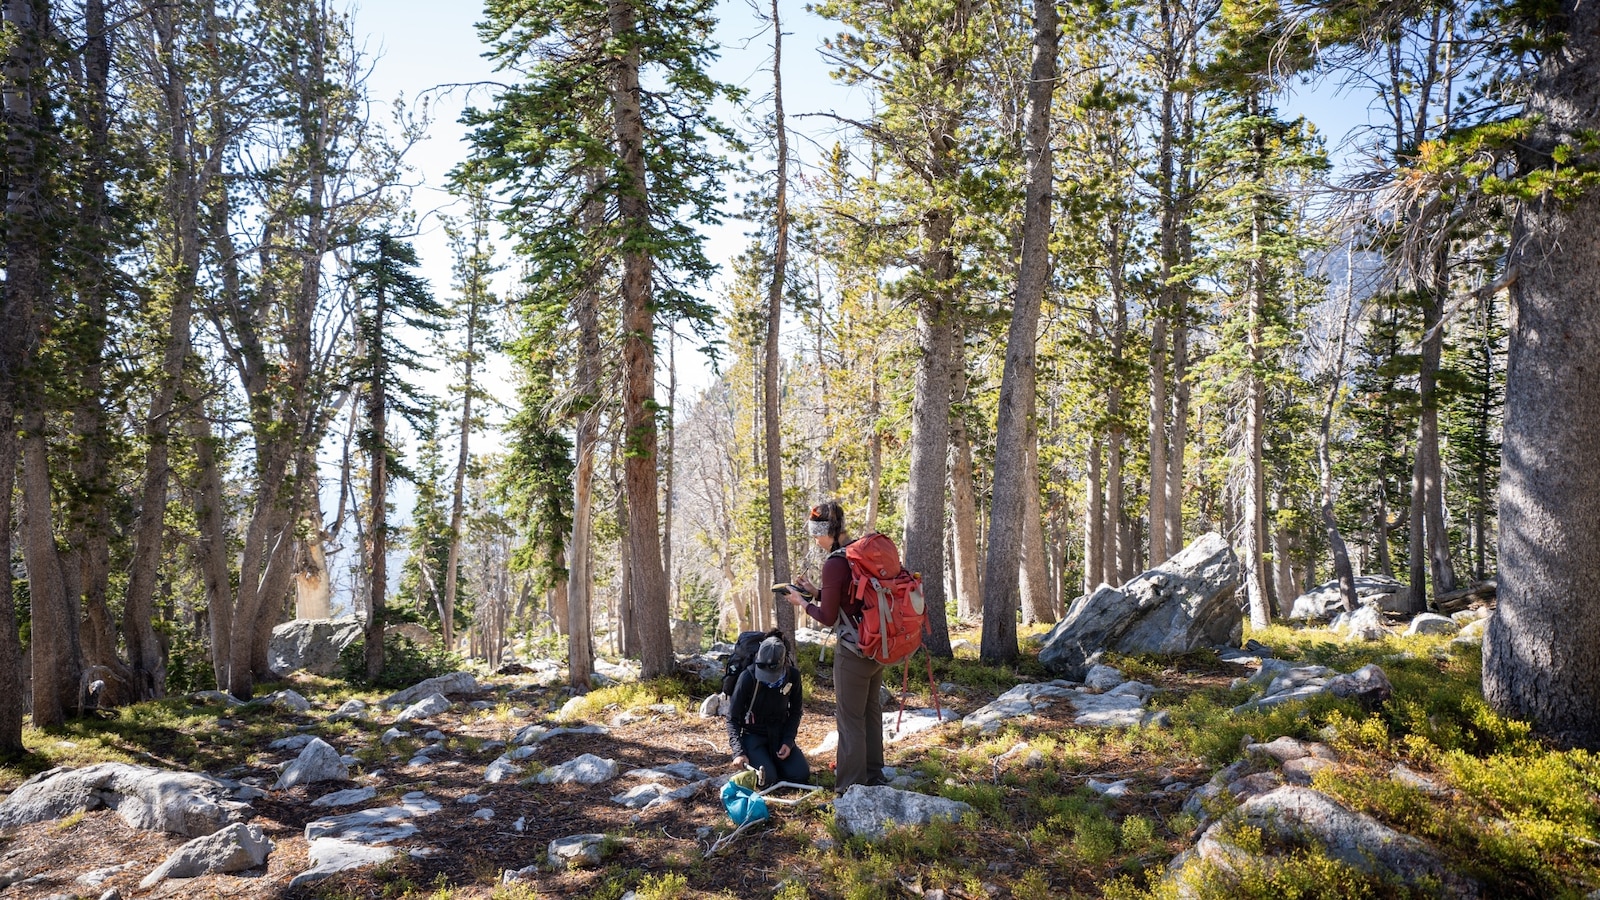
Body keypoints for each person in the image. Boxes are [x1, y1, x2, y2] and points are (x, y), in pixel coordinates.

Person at [780, 501, 888, 793]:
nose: (815, 540)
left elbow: (827, 618)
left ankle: (850, 789)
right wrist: (817, 592)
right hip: (876, 645)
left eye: (816, 534)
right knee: (870, 712)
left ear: (826, 531)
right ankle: (874, 775)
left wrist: (802, 602)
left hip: (852, 651)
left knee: (850, 721)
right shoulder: (856, 553)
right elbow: (849, 598)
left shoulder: (835, 563)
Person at [727, 632, 809, 788]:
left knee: (801, 775)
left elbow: (795, 712)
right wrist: (739, 752)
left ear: (784, 662)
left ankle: (772, 762)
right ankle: (766, 763)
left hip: (779, 734)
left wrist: (788, 741)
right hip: (753, 736)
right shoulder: (747, 678)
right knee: (768, 781)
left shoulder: (793, 676)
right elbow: (732, 718)